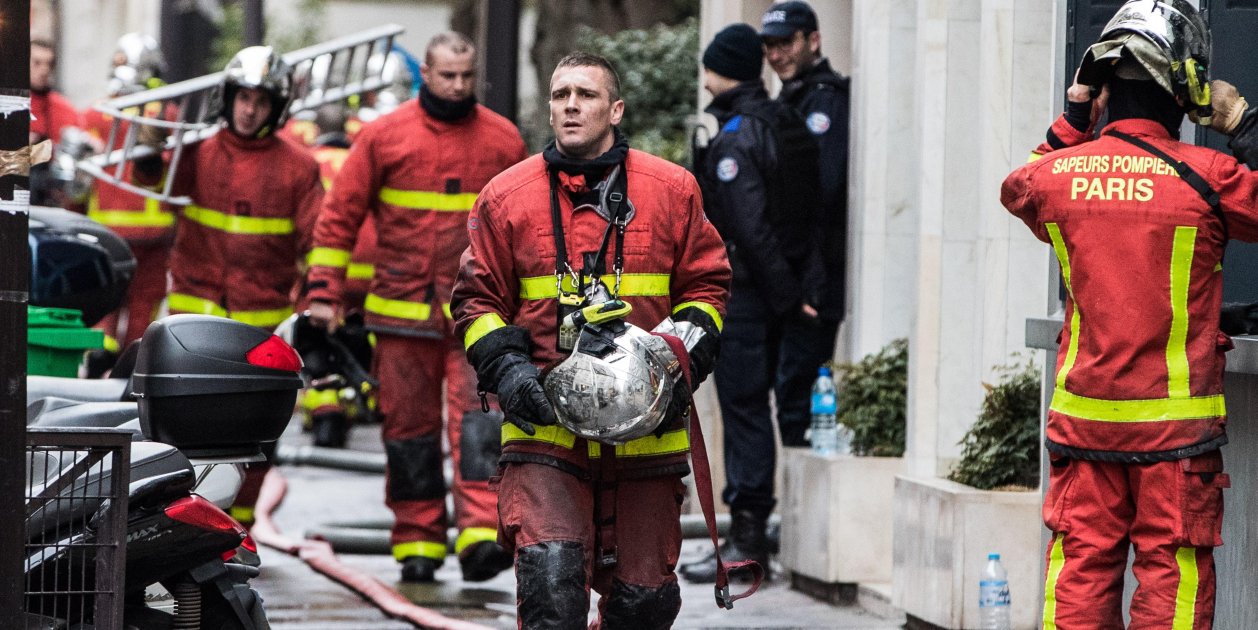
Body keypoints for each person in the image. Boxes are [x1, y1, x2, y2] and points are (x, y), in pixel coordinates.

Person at [450, 51, 730, 627]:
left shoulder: (672, 190)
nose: (571, 105)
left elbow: (708, 288)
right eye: (560, 95)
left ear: (616, 109)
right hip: (544, 429)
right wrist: (508, 371)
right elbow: (475, 301)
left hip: (647, 434)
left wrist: (683, 362)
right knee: (551, 587)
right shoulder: (506, 198)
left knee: (645, 603)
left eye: (587, 94)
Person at [1001, 1, 1258, 625]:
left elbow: (1020, 186)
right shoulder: (1210, 177)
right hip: (1175, 435)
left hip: (1084, 427)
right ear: (1188, 92)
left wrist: (1070, 119)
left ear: (1105, 91)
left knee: (1080, 575)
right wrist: (1242, 122)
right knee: (1171, 580)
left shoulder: (1056, 177)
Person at [306, 32, 528, 584]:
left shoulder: (502, 140)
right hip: (401, 315)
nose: (457, 87)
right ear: (424, 73)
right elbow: (339, 217)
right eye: (447, 75)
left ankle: (480, 535)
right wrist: (323, 294)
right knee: (409, 432)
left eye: (466, 77)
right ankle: (418, 539)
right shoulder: (385, 137)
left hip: (478, 314)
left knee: (480, 424)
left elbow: (527, 226)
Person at [136, 45, 324, 527]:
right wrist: (147, 132)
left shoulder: (299, 168)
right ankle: (183, 523)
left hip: (257, 330)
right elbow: (147, 173)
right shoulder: (197, 152)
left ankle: (236, 530)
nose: (249, 109)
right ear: (227, 97)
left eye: (261, 100)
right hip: (190, 332)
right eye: (242, 97)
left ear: (277, 107)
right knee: (179, 436)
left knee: (255, 441)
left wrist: (318, 306)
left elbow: (319, 243)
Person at [678, 23, 822, 584]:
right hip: (785, 293)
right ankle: (749, 532)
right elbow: (812, 214)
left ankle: (745, 539)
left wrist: (783, 296)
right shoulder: (784, 119)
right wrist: (799, 292)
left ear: (719, 70)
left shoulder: (736, 135)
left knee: (743, 412)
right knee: (761, 410)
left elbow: (748, 227)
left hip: (749, 297)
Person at [83, 33, 173, 373]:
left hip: (106, 233)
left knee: (105, 304)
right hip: (154, 234)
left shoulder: (96, 114)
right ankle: (132, 369)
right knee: (144, 307)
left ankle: (98, 359)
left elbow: (81, 181)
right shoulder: (165, 111)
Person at [760, 0, 850, 331]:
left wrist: (810, 279)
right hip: (792, 270)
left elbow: (820, 190)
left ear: (813, 41)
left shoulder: (826, 99)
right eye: (770, 45)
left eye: (786, 43)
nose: (776, 55)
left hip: (817, 272)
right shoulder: (790, 99)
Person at [30, 39, 83, 146]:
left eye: (49, 64)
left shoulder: (63, 107)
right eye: (37, 63)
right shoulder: (8, 104)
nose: (45, 70)